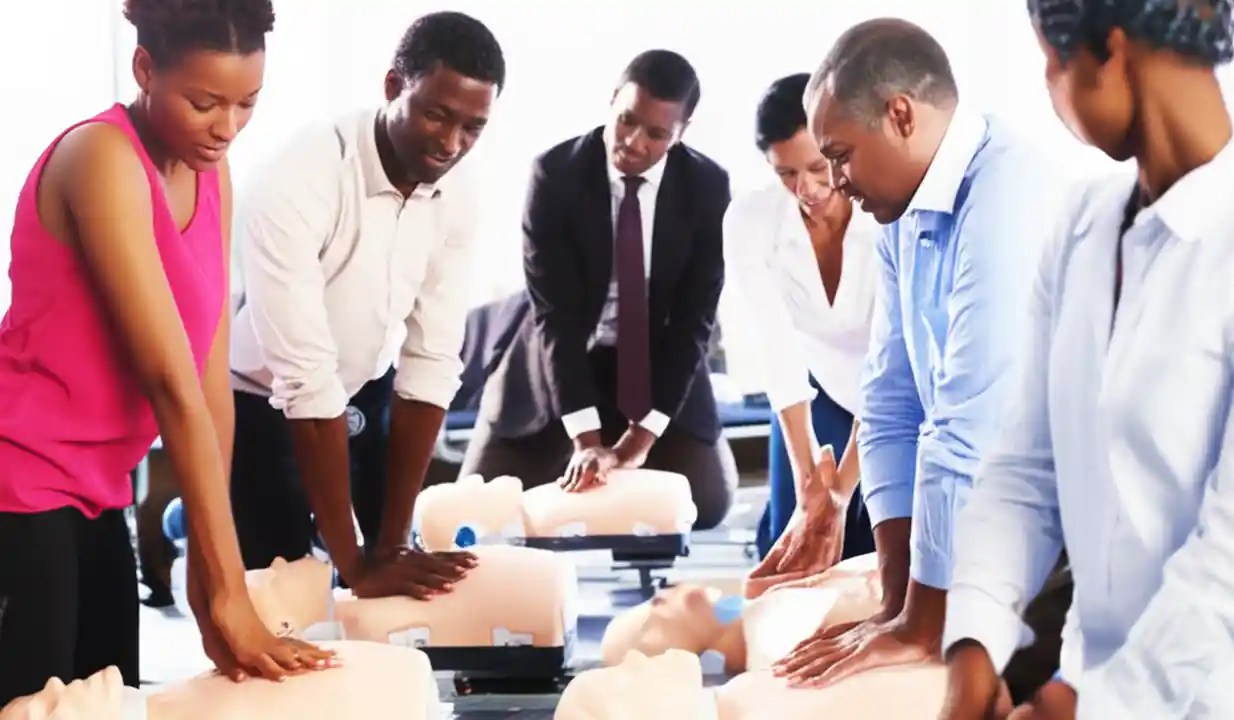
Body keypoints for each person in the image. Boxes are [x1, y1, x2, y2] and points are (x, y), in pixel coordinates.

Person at [941, 2, 1234, 718]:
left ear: (1112, 53)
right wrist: (973, 643)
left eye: (1053, 62)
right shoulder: (1081, 228)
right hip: (1086, 683)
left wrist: (1083, 704)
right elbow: (1025, 470)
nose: (1049, 84)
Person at [0, 0, 333, 707]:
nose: (228, 127)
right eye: (204, 102)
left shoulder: (212, 174)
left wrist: (208, 573)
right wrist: (228, 584)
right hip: (18, 477)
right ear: (145, 67)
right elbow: (169, 379)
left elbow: (211, 375)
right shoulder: (99, 158)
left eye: (247, 103)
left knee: (110, 698)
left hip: (99, 492)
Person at [770, 18, 1069, 688]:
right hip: (993, 527)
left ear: (900, 114)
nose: (836, 182)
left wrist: (922, 624)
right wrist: (895, 603)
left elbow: (968, 420)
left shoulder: (1008, 194)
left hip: (1072, 542)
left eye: (840, 155)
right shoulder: (900, 213)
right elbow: (893, 400)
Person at [226, 11, 503, 599]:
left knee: (395, 584)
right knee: (285, 599)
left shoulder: (464, 192)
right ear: (392, 87)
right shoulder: (297, 180)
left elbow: (430, 363)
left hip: (367, 391)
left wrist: (390, 544)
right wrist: (354, 561)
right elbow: (305, 381)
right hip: (257, 404)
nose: (452, 144)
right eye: (436, 114)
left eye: (473, 127)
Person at [460, 50, 737, 531]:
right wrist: (587, 440)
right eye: (627, 120)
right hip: (559, 363)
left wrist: (640, 440)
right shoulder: (555, 174)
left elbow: (695, 322)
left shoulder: (707, 187)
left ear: (682, 131)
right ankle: (577, 448)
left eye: (657, 134)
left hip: (656, 364)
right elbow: (555, 319)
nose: (633, 142)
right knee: (478, 508)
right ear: (612, 101)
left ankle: (626, 456)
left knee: (708, 504)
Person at [723, 73, 879, 562]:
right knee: (793, 538)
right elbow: (777, 346)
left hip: (897, 395)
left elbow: (891, 364)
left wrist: (842, 489)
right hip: (820, 387)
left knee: (872, 543)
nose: (807, 188)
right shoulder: (751, 220)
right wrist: (809, 480)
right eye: (786, 174)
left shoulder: (885, 212)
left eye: (818, 166)